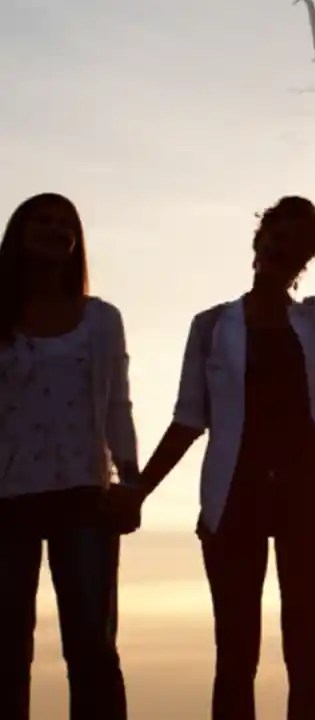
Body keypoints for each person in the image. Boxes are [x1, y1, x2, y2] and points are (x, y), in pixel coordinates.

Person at [119, 120, 315, 720]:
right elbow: (189, 420)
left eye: (298, 243)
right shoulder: (212, 326)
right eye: (276, 235)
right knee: (235, 654)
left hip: (307, 498)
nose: (281, 250)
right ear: (260, 238)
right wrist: (138, 489)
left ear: (307, 256)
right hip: (233, 500)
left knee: (306, 653)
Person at [0, 193, 139, 720]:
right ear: (18, 232)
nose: (56, 229)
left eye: (66, 223)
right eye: (44, 219)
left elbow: (117, 405)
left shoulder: (100, 320)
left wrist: (131, 481)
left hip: (84, 496)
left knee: (91, 648)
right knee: (6, 649)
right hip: (6, 499)